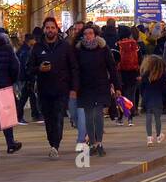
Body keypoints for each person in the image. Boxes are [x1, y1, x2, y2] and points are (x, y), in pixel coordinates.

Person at [29, 17, 79, 160]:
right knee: (49, 118)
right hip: (44, 89)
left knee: (58, 117)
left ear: (57, 30)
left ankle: (55, 145)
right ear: (44, 29)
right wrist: (39, 68)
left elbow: (74, 68)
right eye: (48, 27)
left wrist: (74, 88)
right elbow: (28, 69)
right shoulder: (37, 48)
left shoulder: (65, 47)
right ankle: (52, 142)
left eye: (53, 27)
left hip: (62, 89)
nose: (50, 30)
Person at [74, 24, 119, 157]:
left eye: (90, 33)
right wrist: (74, 87)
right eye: (86, 33)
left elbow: (112, 67)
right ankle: (92, 143)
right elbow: (75, 70)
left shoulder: (103, 48)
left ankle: (99, 143)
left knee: (98, 115)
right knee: (88, 116)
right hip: (85, 87)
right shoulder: (79, 50)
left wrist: (117, 86)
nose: (88, 36)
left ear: (95, 35)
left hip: (100, 85)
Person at [0, 26, 23, 154]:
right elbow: (15, 66)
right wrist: (11, 80)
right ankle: (10, 142)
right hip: (5, 85)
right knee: (6, 115)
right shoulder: (7, 48)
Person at [115, 25, 142, 126]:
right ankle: (130, 118)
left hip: (121, 73)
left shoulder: (118, 45)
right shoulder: (135, 45)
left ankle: (121, 117)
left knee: (121, 95)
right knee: (131, 95)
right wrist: (138, 73)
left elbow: (115, 60)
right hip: (133, 73)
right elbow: (140, 59)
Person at [140, 55, 166, 145]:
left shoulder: (145, 75)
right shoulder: (161, 75)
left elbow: (142, 88)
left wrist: (144, 97)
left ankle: (149, 138)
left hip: (147, 99)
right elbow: (165, 89)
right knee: (157, 119)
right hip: (158, 100)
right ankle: (158, 136)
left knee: (148, 119)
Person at [15, 30, 41, 123]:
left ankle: (35, 114)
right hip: (25, 78)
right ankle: (19, 116)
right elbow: (26, 66)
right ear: (30, 40)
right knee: (24, 98)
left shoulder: (23, 50)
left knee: (31, 96)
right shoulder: (25, 52)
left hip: (24, 77)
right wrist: (29, 76)